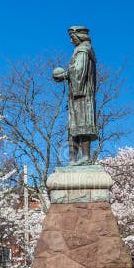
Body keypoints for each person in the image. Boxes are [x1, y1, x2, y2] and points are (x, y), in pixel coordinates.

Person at [53, 26, 98, 165]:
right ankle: (73, 160)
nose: (71, 41)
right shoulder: (80, 50)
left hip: (82, 95)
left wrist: (65, 74)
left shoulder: (83, 50)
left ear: (79, 37)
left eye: (72, 38)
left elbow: (79, 71)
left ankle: (85, 157)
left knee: (82, 124)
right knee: (74, 126)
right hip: (77, 95)